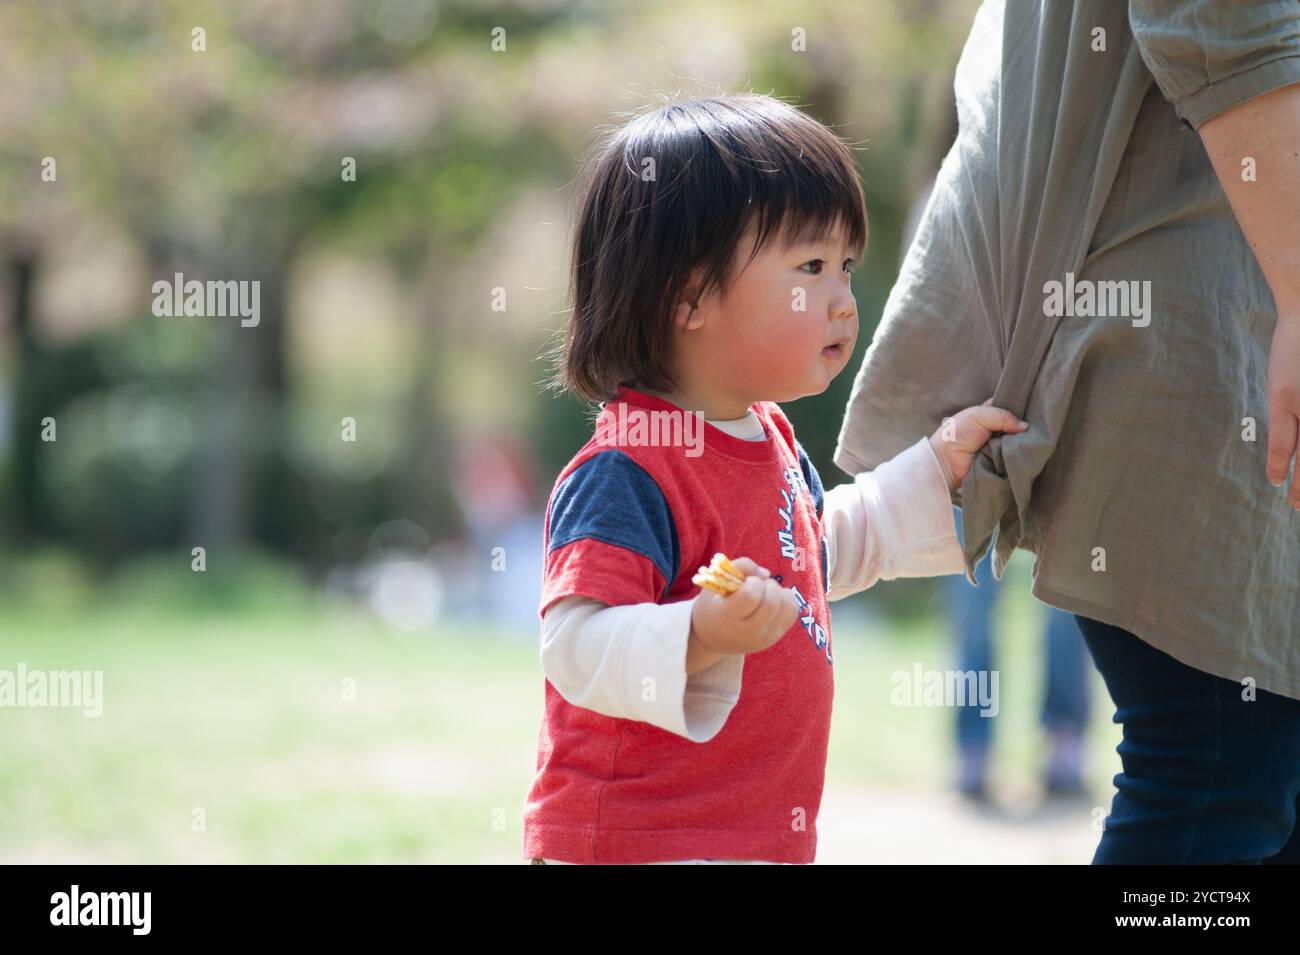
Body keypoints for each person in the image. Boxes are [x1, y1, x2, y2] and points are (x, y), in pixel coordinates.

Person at [833, 1, 1300, 863]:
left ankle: (1046, 742)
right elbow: (1223, 20)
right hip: (1176, 329)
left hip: (1189, 322)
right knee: (1217, 769)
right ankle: (985, 749)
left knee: (1247, 771)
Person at [523, 93, 1027, 864]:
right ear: (690, 295)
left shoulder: (769, 437)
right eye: (812, 267)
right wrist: (699, 631)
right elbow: (574, 643)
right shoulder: (629, 464)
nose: (843, 302)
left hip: (748, 835)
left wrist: (934, 470)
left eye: (848, 266)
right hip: (640, 839)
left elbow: (812, 559)